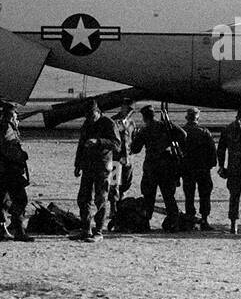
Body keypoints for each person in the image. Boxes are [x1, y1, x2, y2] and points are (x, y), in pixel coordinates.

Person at [131, 104, 187, 231]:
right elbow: (183, 134)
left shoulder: (144, 130)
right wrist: (170, 143)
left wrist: (134, 137)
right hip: (167, 166)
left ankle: (145, 223)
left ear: (144, 118)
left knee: (149, 197)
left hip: (151, 167)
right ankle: (174, 223)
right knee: (168, 196)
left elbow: (135, 149)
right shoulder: (166, 126)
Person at [75, 97, 119, 241]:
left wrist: (99, 142)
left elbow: (117, 144)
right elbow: (81, 145)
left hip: (102, 167)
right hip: (88, 166)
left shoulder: (108, 123)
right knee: (83, 199)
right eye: (87, 116)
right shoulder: (87, 124)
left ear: (98, 112)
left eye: (92, 116)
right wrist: (77, 164)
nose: (90, 119)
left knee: (100, 199)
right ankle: (86, 229)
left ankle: (98, 231)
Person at [0, 100, 33, 241]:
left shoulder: (0, 126)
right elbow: (9, 149)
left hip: (2, 169)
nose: (17, 117)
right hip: (11, 170)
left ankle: (2, 231)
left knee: (1, 200)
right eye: (16, 114)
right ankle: (19, 231)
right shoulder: (7, 128)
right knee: (20, 200)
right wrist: (22, 155)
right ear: (12, 114)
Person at [180, 108, 217, 230]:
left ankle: (190, 219)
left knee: (189, 195)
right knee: (205, 195)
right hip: (202, 168)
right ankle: (204, 220)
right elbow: (212, 151)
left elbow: (177, 151)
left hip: (187, 168)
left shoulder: (181, 131)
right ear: (198, 118)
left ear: (187, 118)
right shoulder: (204, 132)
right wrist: (211, 164)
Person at [106, 101, 135, 230]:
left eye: (131, 110)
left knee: (126, 182)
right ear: (122, 108)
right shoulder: (113, 122)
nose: (129, 112)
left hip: (128, 158)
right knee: (114, 183)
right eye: (127, 109)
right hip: (115, 158)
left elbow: (132, 139)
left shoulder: (131, 123)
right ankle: (113, 208)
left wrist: (130, 154)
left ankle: (120, 205)